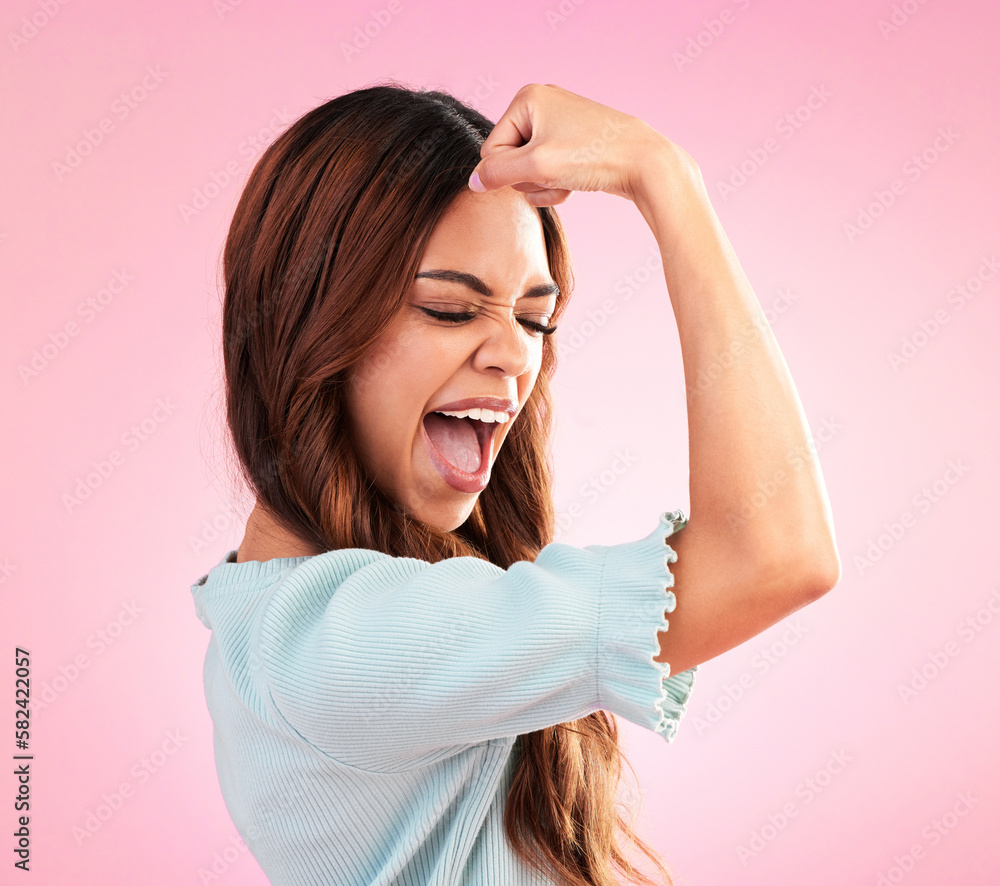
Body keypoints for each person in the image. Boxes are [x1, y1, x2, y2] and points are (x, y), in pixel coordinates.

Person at [190, 81, 840, 886]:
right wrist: (663, 176)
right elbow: (775, 556)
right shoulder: (336, 646)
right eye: (450, 310)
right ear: (309, 325)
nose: (515, 355)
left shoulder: (280, 627)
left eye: (534, 318)